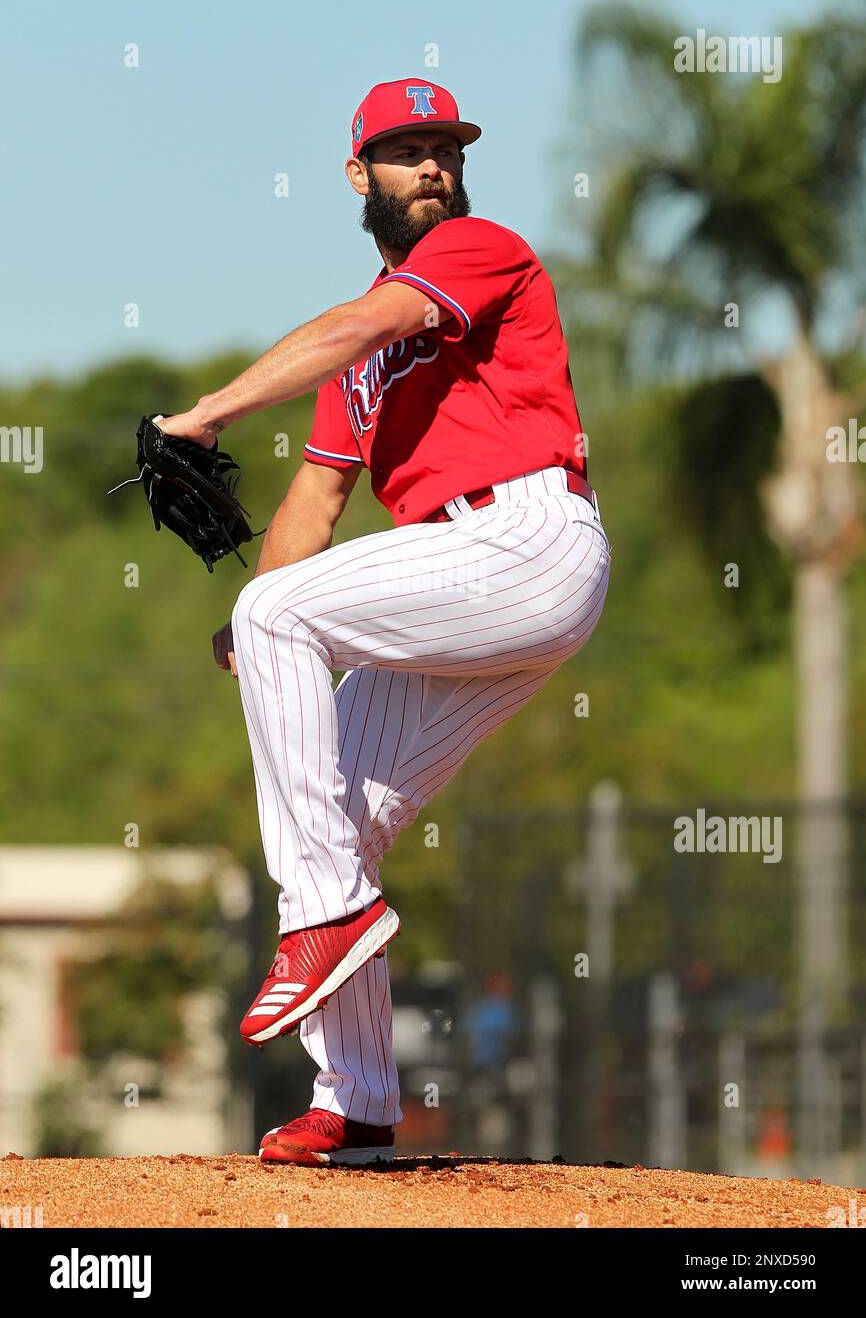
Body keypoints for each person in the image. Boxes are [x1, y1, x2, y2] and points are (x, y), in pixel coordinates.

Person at [157, 77, 612, 1166]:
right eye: (405, 152)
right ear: (358, 173)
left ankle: (321, 917)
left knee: (282, 633)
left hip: (527, 538)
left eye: (443, 149)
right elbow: (312, 507)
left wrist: (209, 410)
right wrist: (250, 626)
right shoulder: (352, 377)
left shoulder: (474, 251)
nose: (431, 167)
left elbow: (367, 318)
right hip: (461, 586)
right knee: (340, 815)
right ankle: (355, 1098)